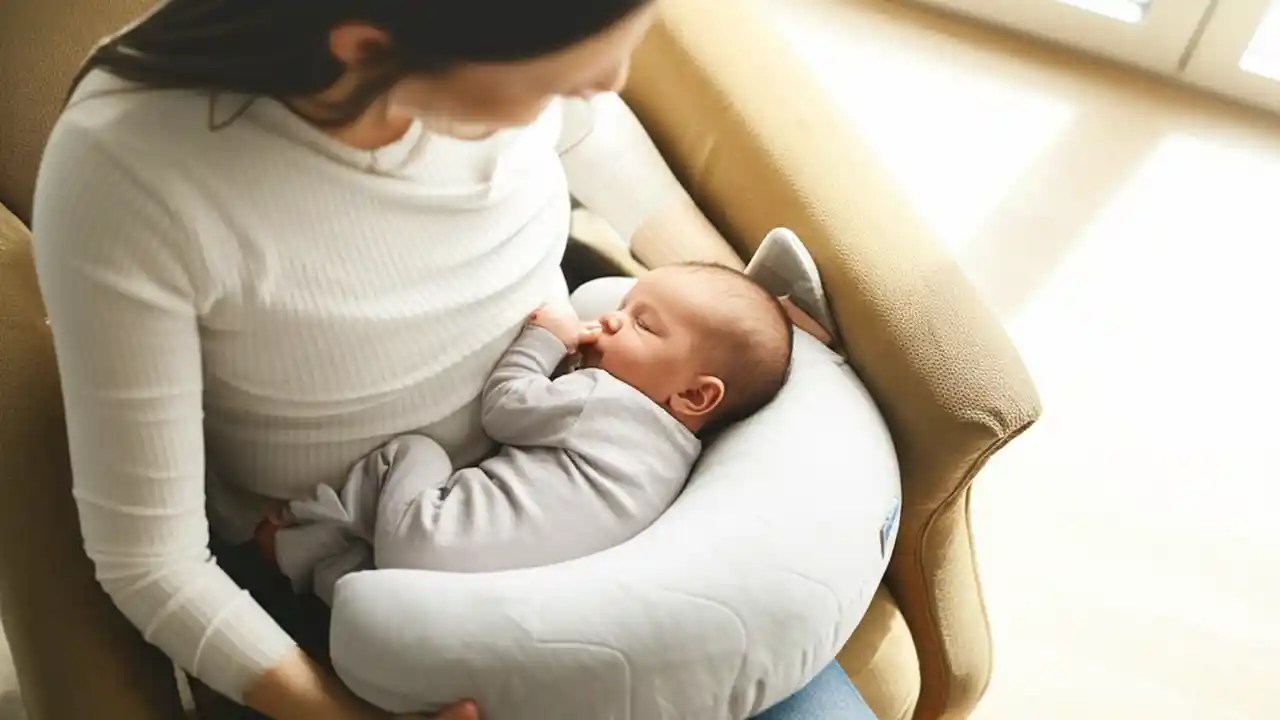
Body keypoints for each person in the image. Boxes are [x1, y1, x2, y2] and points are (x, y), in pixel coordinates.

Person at [31, 1, 874, 718]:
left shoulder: (501, 53)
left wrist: (741, 302)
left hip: (601, 493)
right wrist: (336, 710)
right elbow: (150, 560)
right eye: (555, 77)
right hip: (365, 571)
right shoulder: (132, 178)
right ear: (368, 51)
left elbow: (596, 133)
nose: (610, 83)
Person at [264, 263, 792, 603]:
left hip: (431, 537)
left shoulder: (602, 399)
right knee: (375, 578)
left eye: (643, 324)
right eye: (623, 307)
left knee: (414, 451)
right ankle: (324, 577)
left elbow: (505, 408)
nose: (609, 320)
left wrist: (546, 340)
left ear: (695, 396)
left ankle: (300, 534)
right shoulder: (672, 467)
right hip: (473, 598)